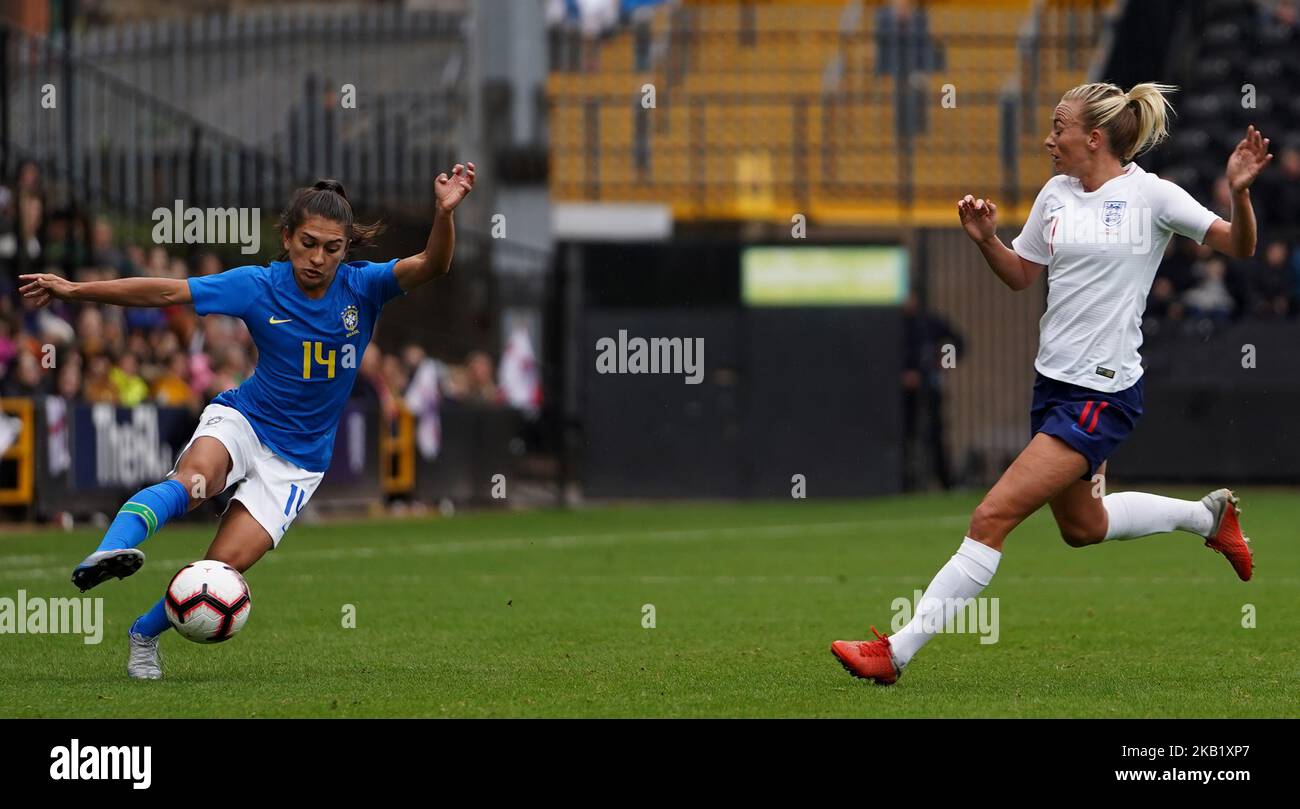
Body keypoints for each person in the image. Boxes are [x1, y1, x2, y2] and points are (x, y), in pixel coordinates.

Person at [831, 83, 1268, 685]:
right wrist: (988, 242)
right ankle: (1207, 519)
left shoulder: (1152, 196)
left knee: (991, 516)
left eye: (1058, 126)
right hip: (1053, 388)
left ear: (1092, 137)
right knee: (1082, 528)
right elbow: (1021, 274)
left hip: (1101, 394)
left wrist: (1240, 195)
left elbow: (1240, 246)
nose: (1048, 138)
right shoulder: (1056, 194)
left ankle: (894, 653)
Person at [19, 163, 475, 679]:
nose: (318, 258)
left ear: (347, 248)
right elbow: (168, 292)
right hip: (245, 419)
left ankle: (143, 633)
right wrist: (76, 291)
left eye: (331, 247)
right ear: (286, 236)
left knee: (220, 570)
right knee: (194, 482)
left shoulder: (365, 288)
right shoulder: (258, 285)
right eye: (307, 243)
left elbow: (432, 264)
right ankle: (106, 552)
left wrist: (444, 213)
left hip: (298, 462)